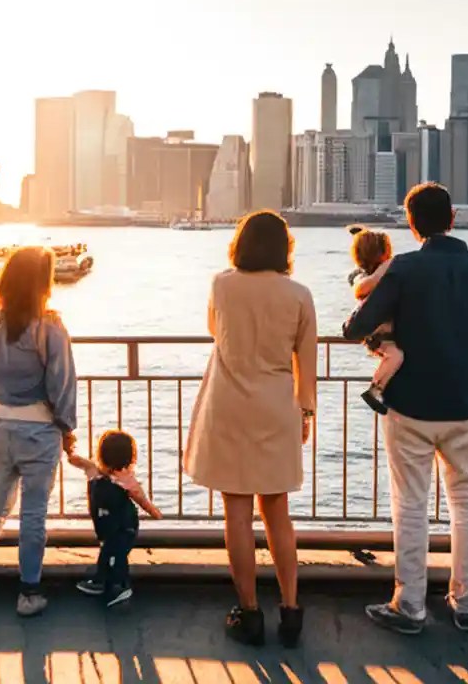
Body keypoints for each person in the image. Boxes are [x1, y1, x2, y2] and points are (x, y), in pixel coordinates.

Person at [343, 182, 468, 635]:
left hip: (411, 406)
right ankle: (466, 602)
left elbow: (357, 327)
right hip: (466, 403)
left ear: (412, 224)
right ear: (452, 219)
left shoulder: (404, 271)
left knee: (411, 504)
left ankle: (410, 605)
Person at [183, 210, 317, 648]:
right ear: (284, 248)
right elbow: (307, 364)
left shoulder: (222, 285)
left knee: (237, 515)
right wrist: (305, 412)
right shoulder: (299, 295)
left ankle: (250, 614)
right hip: (277, 408)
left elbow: (214, 333)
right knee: (277, 513)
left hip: (230, 407)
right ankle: (292, 611)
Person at [0, 246, 78, 617]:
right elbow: (62, 383)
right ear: (43, 283)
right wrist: (67, 427)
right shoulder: (50, 326)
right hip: (39, 430)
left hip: (2, 424)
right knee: (33, 513)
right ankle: (29, 592)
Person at [66, 429, 162, 607]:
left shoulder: (109, 475)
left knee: (115, 555)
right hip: (108, 527)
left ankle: (120, 586)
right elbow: (140, 498)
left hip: (123, 528)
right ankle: (101, 581)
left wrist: (69, 451)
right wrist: (153, 512)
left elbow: (139, 497)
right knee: (107, 553)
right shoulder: (105, 474)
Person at [347, 228, 404, 415]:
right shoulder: (372, 277)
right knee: (395, 356)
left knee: (394, 356)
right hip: (380, 334)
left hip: (381, 332)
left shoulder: (367, 275)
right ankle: (376, 389)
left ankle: (379, 387)